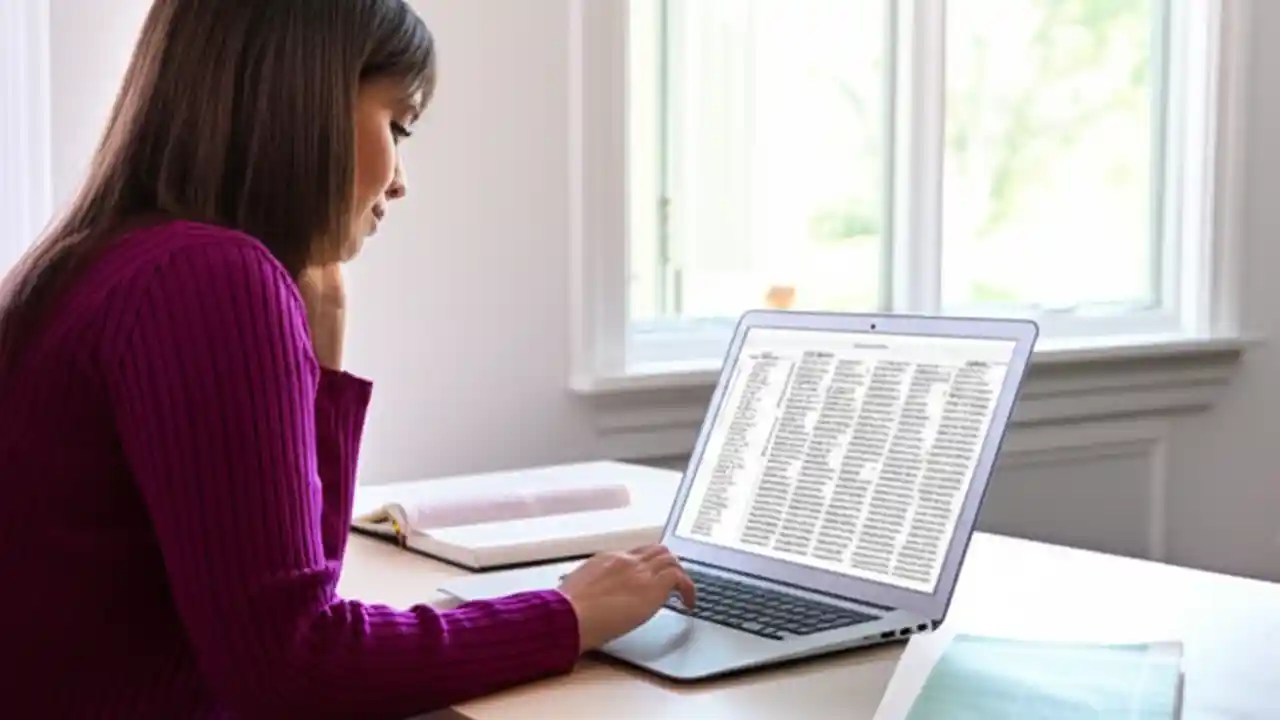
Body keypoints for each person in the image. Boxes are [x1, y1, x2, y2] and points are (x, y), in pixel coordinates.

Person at [0, 1, 695, 717]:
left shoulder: (92, 262)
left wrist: (321, 350)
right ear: (305, 101)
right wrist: (567, 615)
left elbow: (297, 607)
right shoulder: (207, 277)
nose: (400, 181)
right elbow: (297, 669)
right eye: (397, 124)